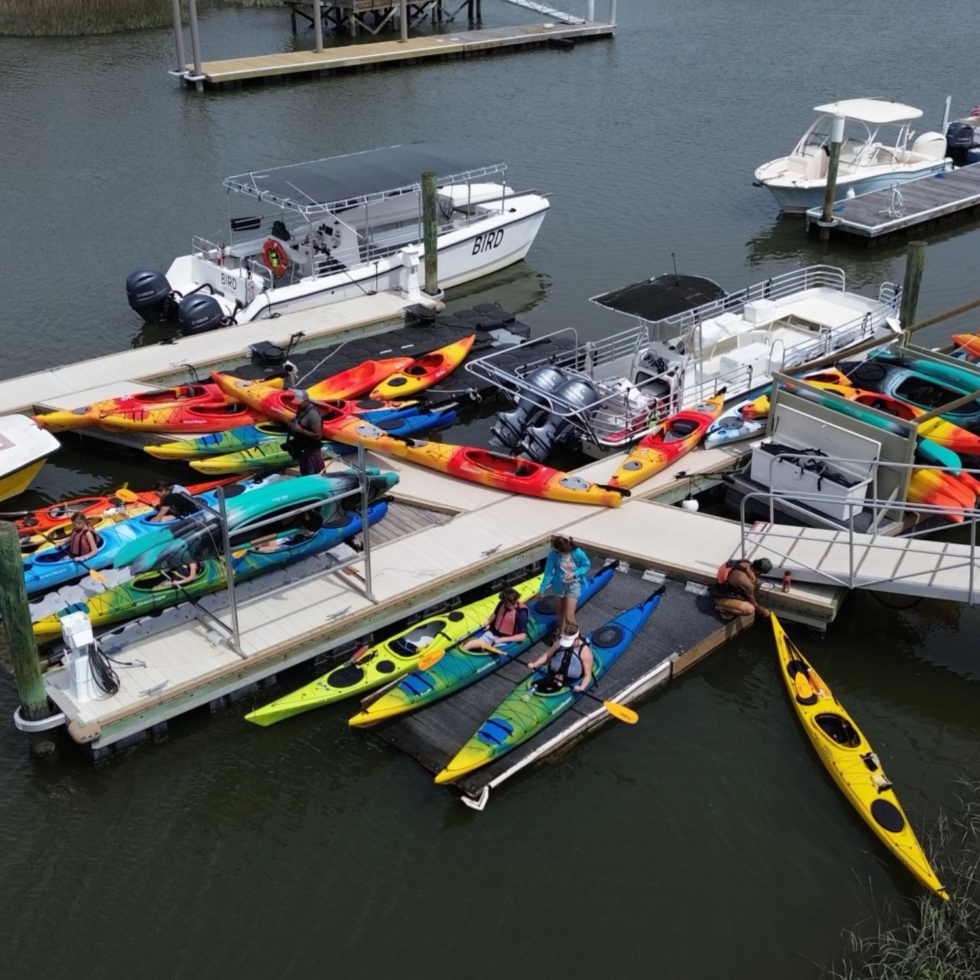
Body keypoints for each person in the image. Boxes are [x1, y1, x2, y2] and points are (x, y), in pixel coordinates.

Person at [537, 535, 590, 635]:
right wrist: (542, 589)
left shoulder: (578, 553)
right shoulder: (553, 554)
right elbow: (548, 572)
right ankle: (561, 633)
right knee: (560, 612)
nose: (554, 552)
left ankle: (576, 638)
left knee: (570, 617)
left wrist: (575, 574)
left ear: (563, 549)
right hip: (558, 586)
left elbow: (586, 565)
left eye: (557, 551)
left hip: (573, 586)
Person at [527, 623, 593, 694]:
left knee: (554, 687)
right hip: (552, 674)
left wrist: (581, 687)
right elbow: (548, 655)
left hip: (570, 680)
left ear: (576, 639)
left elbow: (587, 674)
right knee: (537, 684)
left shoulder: (585, 652)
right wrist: (535, 664)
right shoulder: (559, 643)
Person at [460, 588, 528, 651]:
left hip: (507, 639)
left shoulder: (521, 614)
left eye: (508, 604)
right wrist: (488, 621)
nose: (505, 605)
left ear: (515, 601)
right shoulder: (502, 603)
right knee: (468, 645)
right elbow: (495, 614)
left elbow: (522, 636)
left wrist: (502, 639)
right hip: (494, 633)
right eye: (505, 603)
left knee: (492, 651)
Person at [713, 557, 773, 622]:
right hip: (720, 596)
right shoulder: (745, 582)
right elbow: (754, 604)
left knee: (758, 582)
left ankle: (738, 602)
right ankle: (722, 608)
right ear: (758, 571)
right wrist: (763, 612)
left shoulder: (745, 563)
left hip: (727, 590)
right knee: (750, 609)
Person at [286, 389, 326, 476]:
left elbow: (318, 436)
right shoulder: (301, 410)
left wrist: (301, 430)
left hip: (312, 451)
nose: (297, 404)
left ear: (306, 401)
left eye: (299, 403)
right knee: (305, 473)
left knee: (317, 474)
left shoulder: (313, 414)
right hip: (303, 449)